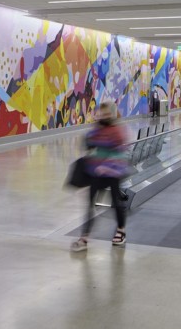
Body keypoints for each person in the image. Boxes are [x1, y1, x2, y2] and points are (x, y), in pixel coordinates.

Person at [71, 102, 128, 251]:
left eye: (107, 114)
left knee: (116, 201)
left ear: (113, 114)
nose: (104, 117)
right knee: (90, 203)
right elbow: (88, 144)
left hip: (113, 172)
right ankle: (84, 237)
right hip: (96, 172)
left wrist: (107, 165)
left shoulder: (117, 131)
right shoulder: (97, 130)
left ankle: (121, 230)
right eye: (102, 114)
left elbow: (120, 151)